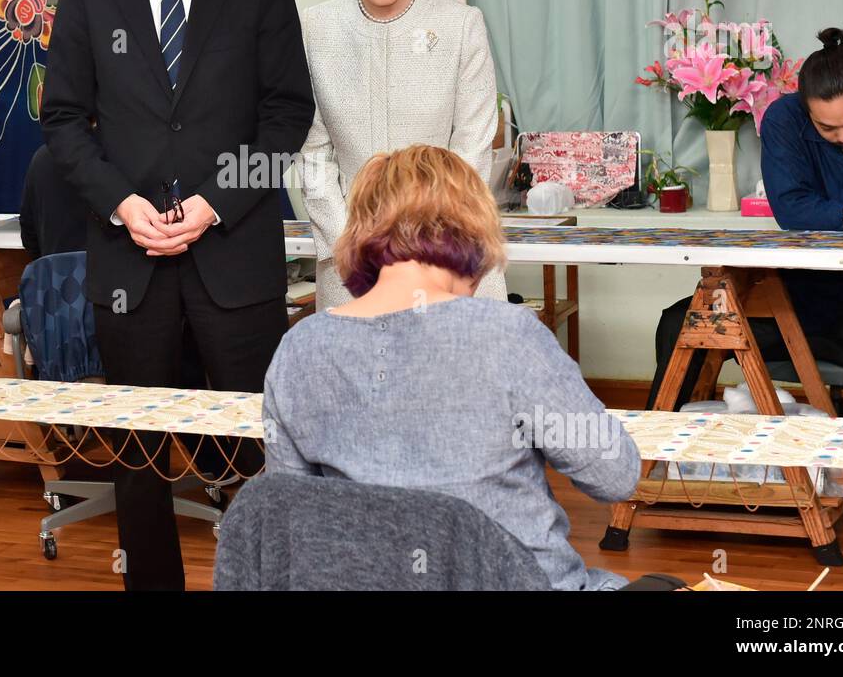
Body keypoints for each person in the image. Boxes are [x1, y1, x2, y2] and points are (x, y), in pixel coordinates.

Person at [40, 0, 315, 590]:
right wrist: (124, 206)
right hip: (129, 262)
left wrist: (214, 202)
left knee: (255, 455)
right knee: (137, 458)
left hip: (234, 261)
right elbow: (62, 119)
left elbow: (287, 113)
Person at [262, 144, 639, 590]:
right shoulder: (508, 335)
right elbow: (615, 474)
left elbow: (291, 518)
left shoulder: (298, 348)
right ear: (471, 229)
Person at [647, 27, 843, 418]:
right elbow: (792, 209)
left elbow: (812, 207)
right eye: (827, 128)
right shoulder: (784, 119)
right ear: (806, 107)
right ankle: (657, 465)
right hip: (795, 296)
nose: (842, 136)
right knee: (680, 326)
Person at [300, 0, 505, 310]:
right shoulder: (316, 29)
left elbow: (471, 152)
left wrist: (423, 257)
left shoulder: (461, 25)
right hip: (349, 260)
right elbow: (313, 153)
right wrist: (349, 246)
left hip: (449, 258)